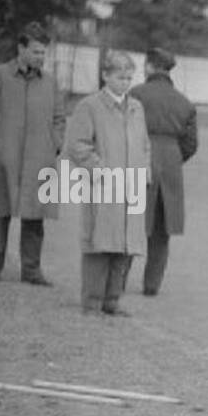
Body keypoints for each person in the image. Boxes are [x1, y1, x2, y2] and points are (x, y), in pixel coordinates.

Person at [0, 22, 66, 285]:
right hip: (5, 156)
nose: (41, 57)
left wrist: (54, 144)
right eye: (36, 51)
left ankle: (32, 270)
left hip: (40, 160)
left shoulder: (51, 82)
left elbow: (60, 118)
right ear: (21, 49)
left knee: (35, 217)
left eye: (44, 52)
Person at [63, 51, 150, 317]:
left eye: (129, 77)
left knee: (124, 246)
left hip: (131, 189)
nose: (125, 82)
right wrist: (100, 171)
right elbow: (77, 145)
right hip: (102, 187)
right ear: (105, 76)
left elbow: (145, 145)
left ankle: (113, 299)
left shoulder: (136, 107)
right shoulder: (90, 106)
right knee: (98, 244)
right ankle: (92, 300)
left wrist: (144, 175)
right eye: (119, 77)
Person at [129, 47, 199, 297]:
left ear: (149, 66)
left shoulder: (135, 94)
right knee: (161, 229)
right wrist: (172, 158)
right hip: (171, 163)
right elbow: (191, 145)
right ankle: (151, 285)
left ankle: (117, 279)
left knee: (132, 222)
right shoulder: (185, 103)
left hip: (140, 158)